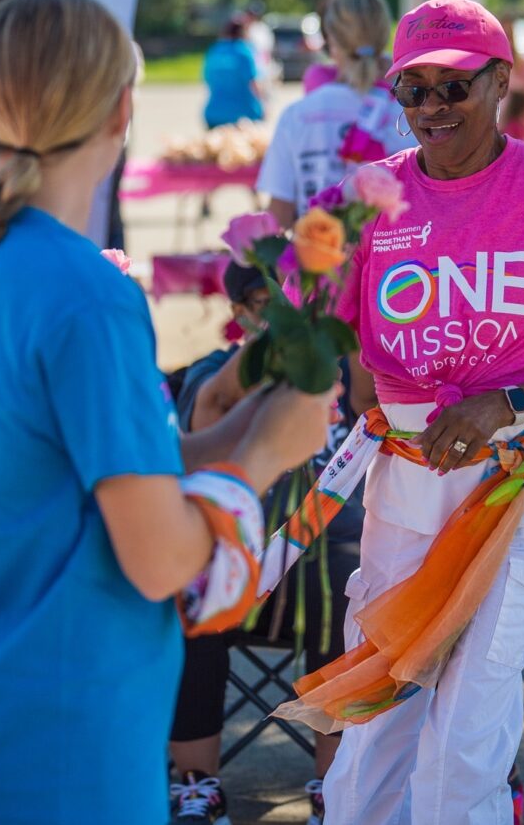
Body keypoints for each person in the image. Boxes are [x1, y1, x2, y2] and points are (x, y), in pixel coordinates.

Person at [0, 0, 335, 825]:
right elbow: (161, 560)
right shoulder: (83, 295)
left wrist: (242, 424)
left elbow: (67, 468)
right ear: (122, 109)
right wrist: (265, 454)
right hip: (73, 726)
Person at [315, 0, 524, 825]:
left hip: (514, 486)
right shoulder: (372, 195)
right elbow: (343, 348)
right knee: (375, 723)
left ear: (502, 82)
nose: (432, 107)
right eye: (414, 89)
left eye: (454, 87)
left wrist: (503, 406)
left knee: (465, 734)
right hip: (404, 491)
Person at [167, 263, 361, 824]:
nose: (283, 316)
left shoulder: (344, 372)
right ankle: (196, 784)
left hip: (328, 566)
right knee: (193, 594)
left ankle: (334, 785)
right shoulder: (213, 373)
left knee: (349, 588)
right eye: (265, 302)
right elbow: (200, 425)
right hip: (240, 568)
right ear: (240, 313)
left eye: (295, 302)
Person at [257, 0, 409, 227]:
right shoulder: (410, 116)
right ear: (384, 35)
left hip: (318, 248)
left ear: (330, 40)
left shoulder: (296, 116)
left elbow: (279, 215)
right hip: (396, 250)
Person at [203, 17, 265, 128]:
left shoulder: (214, 50)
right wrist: (264, 106)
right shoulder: (244, 51)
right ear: (243, 33)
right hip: (244, 115)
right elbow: (254, 83)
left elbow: (208, 80)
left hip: (214, 113)